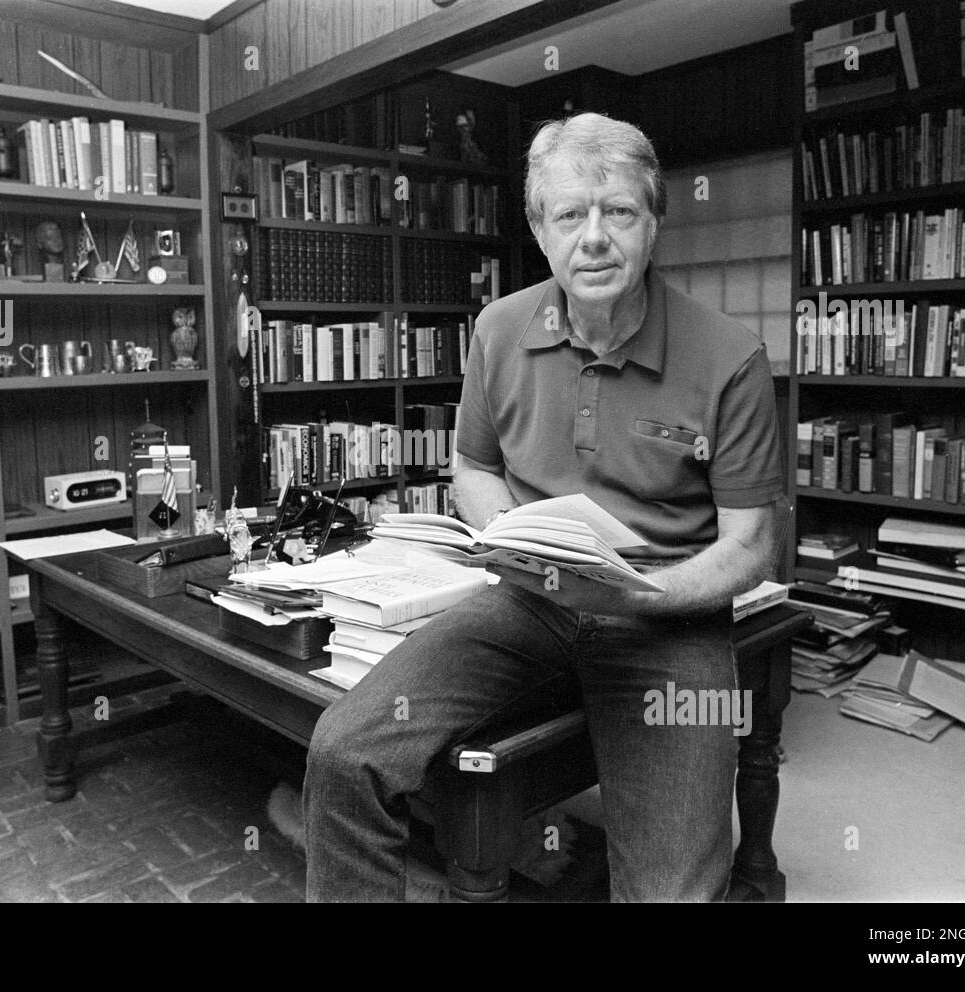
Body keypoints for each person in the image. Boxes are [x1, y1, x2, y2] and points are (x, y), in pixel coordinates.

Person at [302, 112, 786, 902]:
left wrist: (639, 593)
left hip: (668, 618)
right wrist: (508, 538)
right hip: (531, 599)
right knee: (344, 752)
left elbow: (752, 547)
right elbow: (473, 466)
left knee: (674, 890)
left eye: (619, 211)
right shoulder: (497, 329)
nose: (594, 237)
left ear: (653, 220)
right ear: (538, 229)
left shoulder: (730, 356)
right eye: (569, 215)